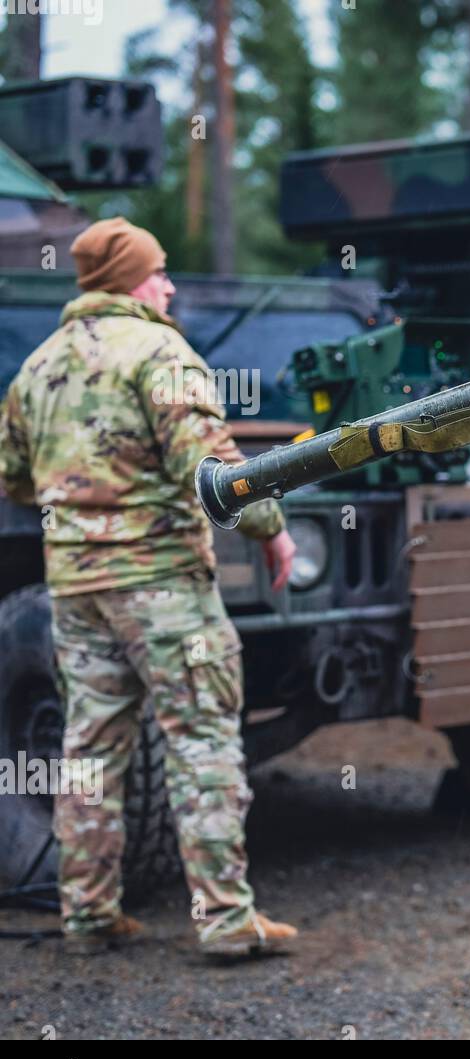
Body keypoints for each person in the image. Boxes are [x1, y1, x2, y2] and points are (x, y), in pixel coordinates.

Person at [0, 217, 298, 957]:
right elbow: (220, 474)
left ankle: (89, 913)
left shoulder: (37, 367)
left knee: (91, 749)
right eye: (160, 273)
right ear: (132, 281)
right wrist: (273, 529)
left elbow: (10, 478)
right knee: (201, 741)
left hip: (75, 589)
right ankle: (227, 920)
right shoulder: (162, 351)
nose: (169, 285)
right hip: (163, 586)